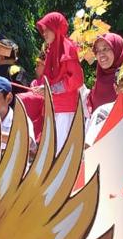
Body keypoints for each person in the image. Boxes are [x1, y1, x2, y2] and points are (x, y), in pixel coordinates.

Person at [33, 12, 84, 149]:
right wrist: (42, 90)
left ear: (56, 28)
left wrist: (50, 89)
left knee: (60, 152)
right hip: (53, 108)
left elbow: (77, 79)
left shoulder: (68, 48)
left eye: (47, 29)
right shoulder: (51, 50)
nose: (44, 34)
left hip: (65, 110)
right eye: (43, 31)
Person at [87, 32, 123, 114]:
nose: (101, 54)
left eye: (105, 49)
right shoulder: (99, 80)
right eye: (97, 51)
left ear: (117, 49)